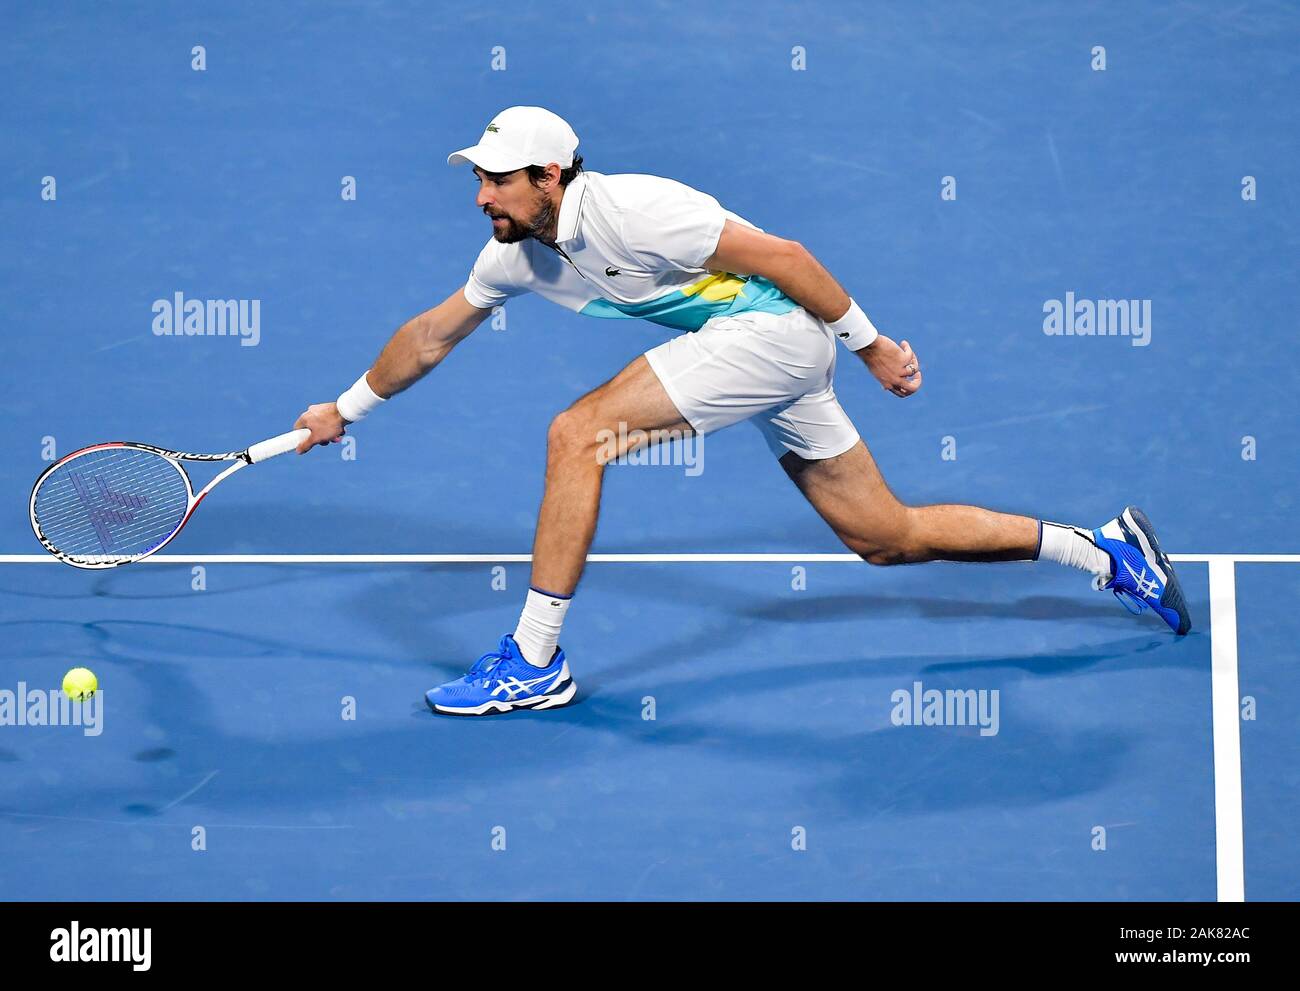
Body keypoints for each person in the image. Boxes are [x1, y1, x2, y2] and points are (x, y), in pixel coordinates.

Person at [293, 106, 1191, 717]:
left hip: (776, 336)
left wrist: (870, 344)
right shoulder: (516, 255)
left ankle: (534, 660)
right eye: (478, 181)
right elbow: (431, 336)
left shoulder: (640, 210)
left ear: (548, 175)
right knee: (886, 535)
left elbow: (787, 256)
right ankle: (1106, 548)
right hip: (759, 352)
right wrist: (345, 408)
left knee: (578, 435)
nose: (481, 196)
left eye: (496, 181)